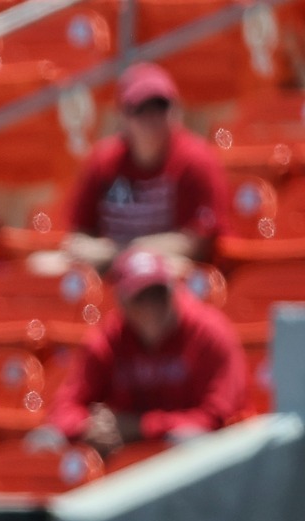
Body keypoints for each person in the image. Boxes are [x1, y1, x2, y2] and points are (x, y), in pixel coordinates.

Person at [47, 248, 246, 454]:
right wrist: (89, 426)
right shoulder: (109, 337)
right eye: (141, 297)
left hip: (201, 462)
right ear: (122, 302)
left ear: (173, 290)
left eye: (159, 294)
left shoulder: (210, 332)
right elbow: (64, 408)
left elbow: (217, 418)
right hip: (127, 452)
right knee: (45, 440)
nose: (152, 306)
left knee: (188, 439)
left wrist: (141, 426)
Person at [61, 63, 226, 271]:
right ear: (123, 116)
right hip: (109, 268)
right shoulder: (102, 160)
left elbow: (196, 243)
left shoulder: (196, 160)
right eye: (140, 110)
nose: (151, 119)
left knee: (174, 267)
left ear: (176, 111)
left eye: (160, 107)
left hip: (165, 275)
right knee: (42, 265)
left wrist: (121, 252)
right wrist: (102, 253)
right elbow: (79, 233)